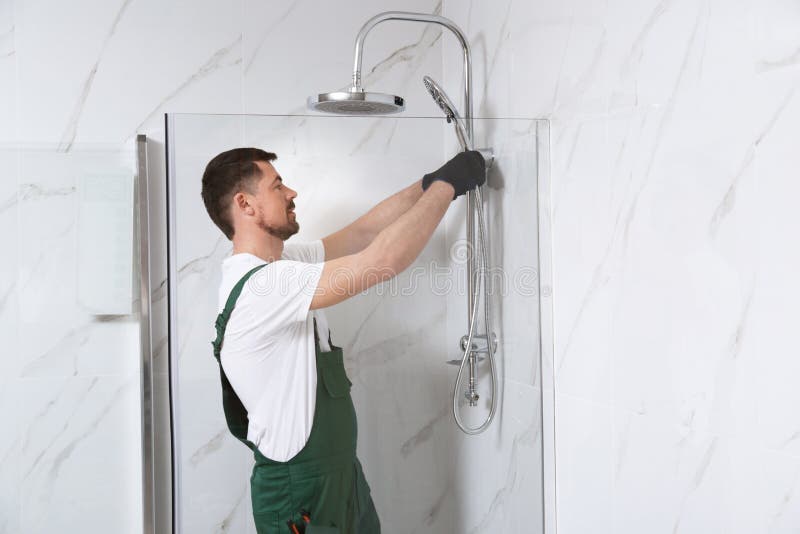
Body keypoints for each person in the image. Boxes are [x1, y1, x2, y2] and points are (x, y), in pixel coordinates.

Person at [201, 147, 485, 533]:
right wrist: (448, 186)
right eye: (277, 185)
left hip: (339, 477)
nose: (292, 193)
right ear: (245, 204)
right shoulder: (265, 286)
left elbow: (362, 235)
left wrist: (428, 183)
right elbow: (381, 260)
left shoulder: (283, 265)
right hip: (299, 492)